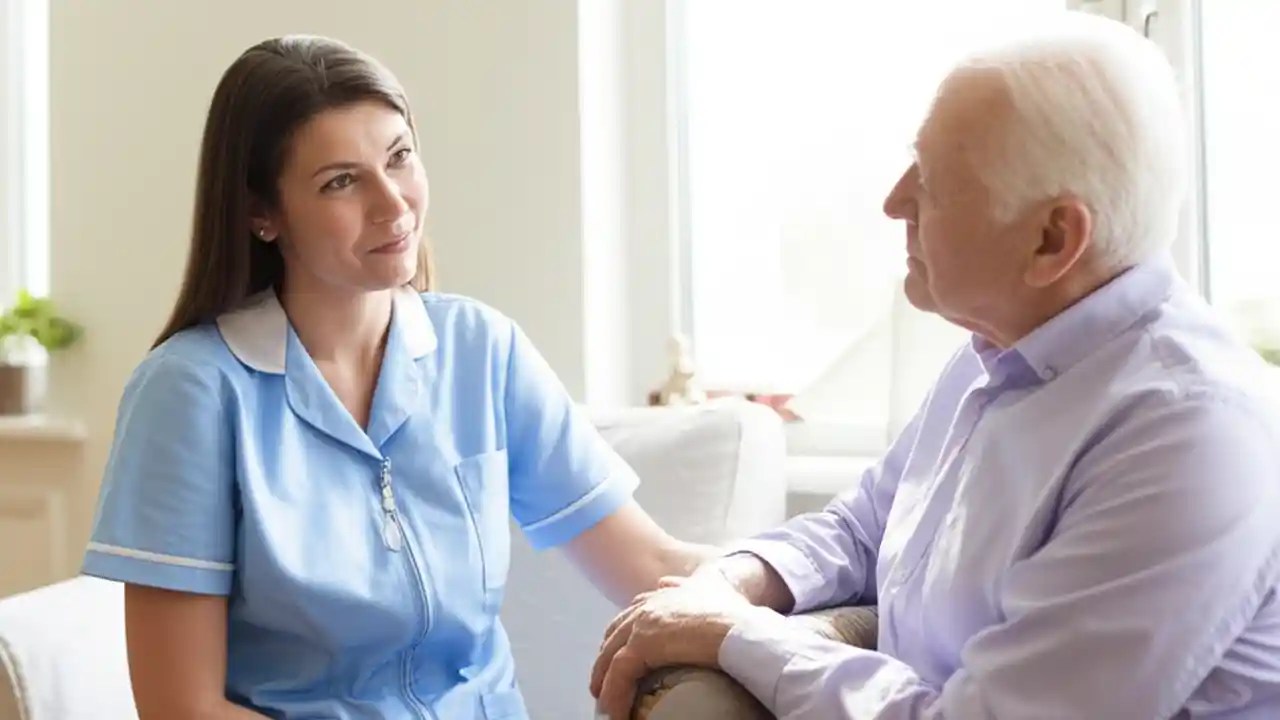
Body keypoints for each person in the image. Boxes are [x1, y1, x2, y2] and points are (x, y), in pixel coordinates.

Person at [591, 12, 1280, 719]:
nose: (894, 201)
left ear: (1053, 238)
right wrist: (729, 583)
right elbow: (864, 528)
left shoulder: (1186, 435)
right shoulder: (1002, 353)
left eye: (936, 182)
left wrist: (741, 637)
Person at [81, 35, 711, 720]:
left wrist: (809, 584)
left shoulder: (481, 350)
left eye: (399, 157)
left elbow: (649, 564)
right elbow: (182, 710)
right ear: (262, 213)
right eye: (341, 181)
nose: (394, 204)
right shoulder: (191, 393)